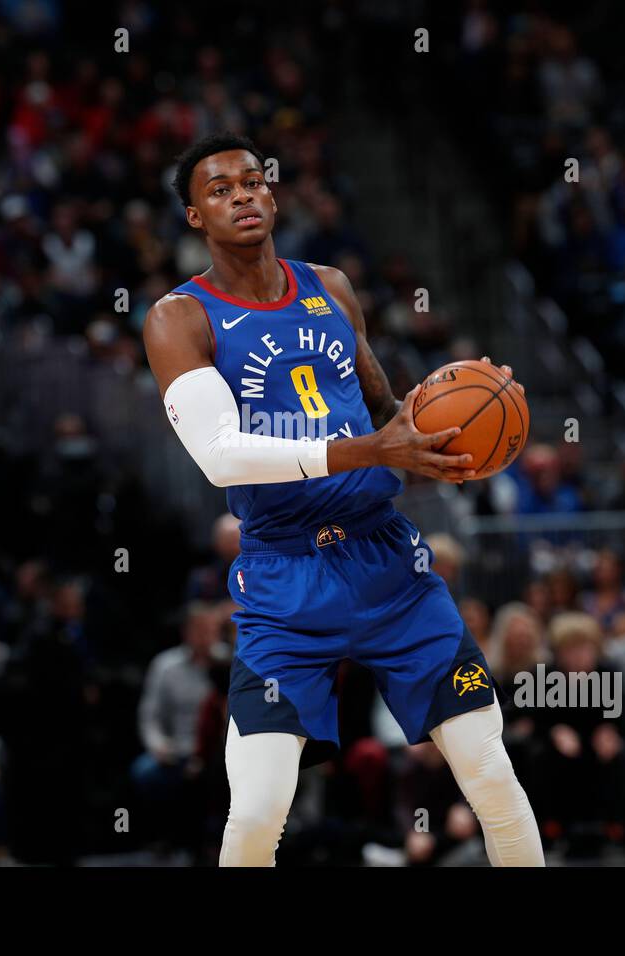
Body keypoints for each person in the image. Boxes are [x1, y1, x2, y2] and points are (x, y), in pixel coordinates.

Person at [143, 132, 543, 867]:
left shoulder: (330, 285)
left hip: (388, 564)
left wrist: (456, 433)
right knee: (260, 812)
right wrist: (374, 450)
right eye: (220, 189)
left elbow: (389, 414)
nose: (243, 195)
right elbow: (221, 458)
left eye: (254, 181)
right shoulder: (180, 319)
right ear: (196, 217)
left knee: (490, 772)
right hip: (284, 579)